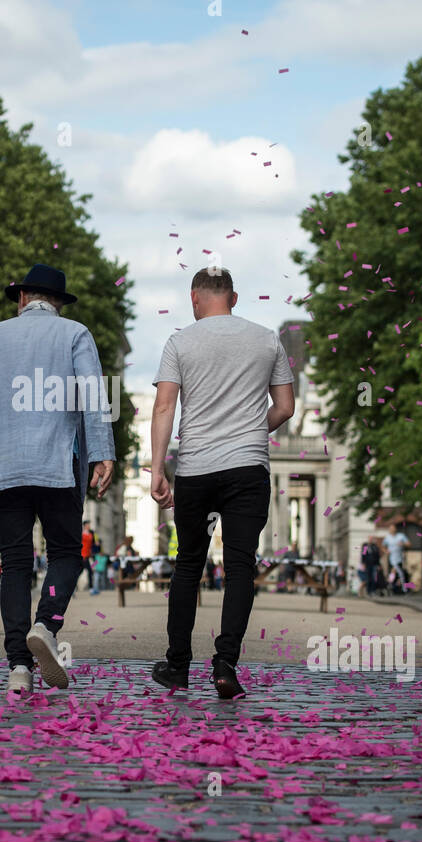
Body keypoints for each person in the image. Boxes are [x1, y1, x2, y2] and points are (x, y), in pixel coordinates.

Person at [0, 263, 115, 695]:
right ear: (58, 303)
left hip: (5, 465)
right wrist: (102, 454)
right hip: (56, 463)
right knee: (64, 550)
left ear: (22, 298)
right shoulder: (75, 334)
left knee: (16, 562)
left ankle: (18, 668)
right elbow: (94, 397)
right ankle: (46, 624)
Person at [150, 267, 295, 699]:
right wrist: (251, 429)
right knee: (239, 568)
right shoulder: (267, 338)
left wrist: (159, 469)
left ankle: (177, 667)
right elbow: (285, 407)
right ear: (233, 297)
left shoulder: (179, 342)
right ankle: (225, 665)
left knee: (189, 565)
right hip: (248, 468)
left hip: (195, 469)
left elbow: (163, 408)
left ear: (194, 298)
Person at [382, 523, 410, 592]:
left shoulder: (401, 536)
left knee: (395, 573)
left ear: (395, 529)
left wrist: (402, 544)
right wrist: (386, 551)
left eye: (393, 528)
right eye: (391, 528)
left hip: (400, 558)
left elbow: (409, 544)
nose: (392, 530)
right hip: (392, 559)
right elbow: (383, 547)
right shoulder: (387, 538)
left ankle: (388, 586)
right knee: (400, 573)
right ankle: (404, 589)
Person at [80, 523, 96, 592]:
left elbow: (94, 543)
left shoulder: (91, 533)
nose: (89, 526)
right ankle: (52, 594)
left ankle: (52, 595)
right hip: (83, 555)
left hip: (87, 555)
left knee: (86, 571)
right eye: (87, 525)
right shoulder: (81, 534)